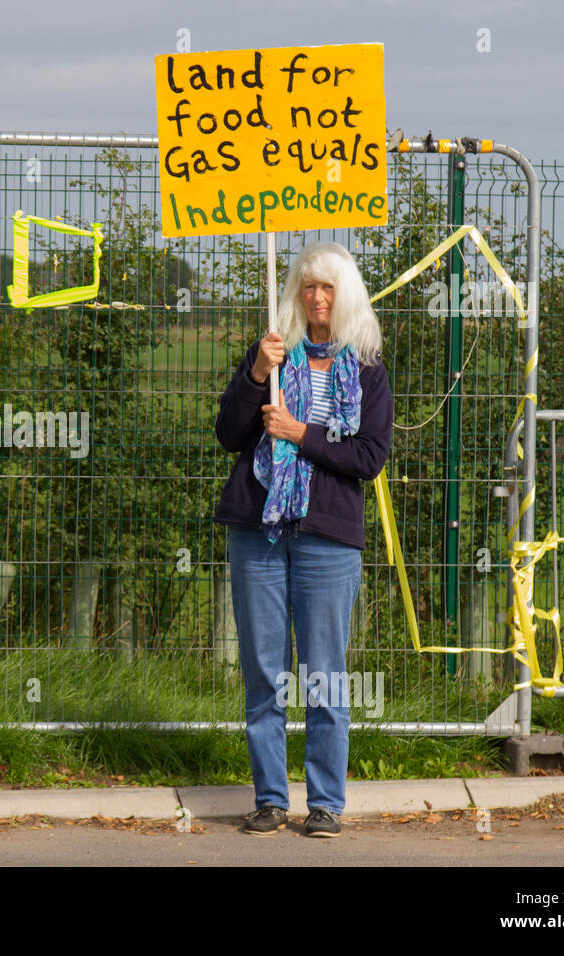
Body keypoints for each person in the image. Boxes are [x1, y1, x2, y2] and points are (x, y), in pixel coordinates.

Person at [213, 240, 394, 838]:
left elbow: (368, 457)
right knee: (264, 670)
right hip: (259, 530)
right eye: (308, 287)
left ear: (345, 298)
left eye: (328, 288)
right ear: (295, 293)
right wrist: (256, 374)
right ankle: (269, 798)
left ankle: (325, 803)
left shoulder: (366, 369)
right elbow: (229, 433)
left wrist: (301, 433)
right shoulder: (270, 353)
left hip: (328, 536)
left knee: (323, 673)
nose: (316, 298)